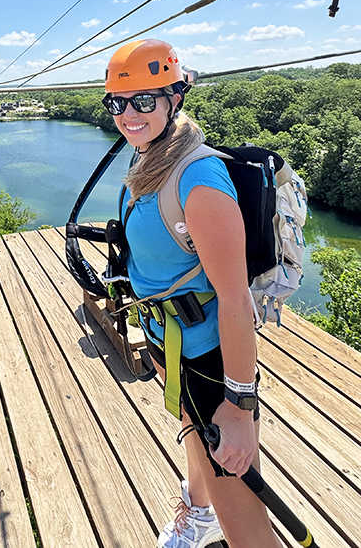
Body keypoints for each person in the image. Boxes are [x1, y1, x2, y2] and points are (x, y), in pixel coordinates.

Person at [101, 39, 279, 548]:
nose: (128, 114)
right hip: (172, 338)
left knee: (243, 515)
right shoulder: (152, 158)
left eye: (143, 100)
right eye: (118, 102)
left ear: (174, 98)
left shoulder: (198, 178)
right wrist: (160, 348)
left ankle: (215, 515)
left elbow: (236, 300)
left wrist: (239, 407)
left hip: (211, 355)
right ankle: (199, 516)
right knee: (193, 433)